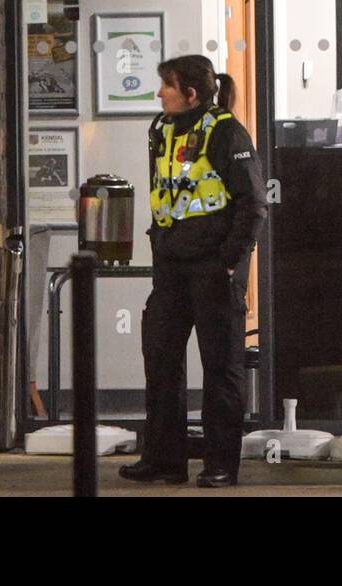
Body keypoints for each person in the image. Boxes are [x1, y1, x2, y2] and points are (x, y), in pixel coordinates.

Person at [119, 55, 267, 489]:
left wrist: (228, 259)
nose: (159, 93)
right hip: (171, 267)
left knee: (220, 367)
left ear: (192, 94)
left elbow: (253, 204)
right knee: (161, 361)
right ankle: (165, 460)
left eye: (167, 85)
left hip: (213, 268)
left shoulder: (226, 132)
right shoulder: (161, 130)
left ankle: (221, 464)